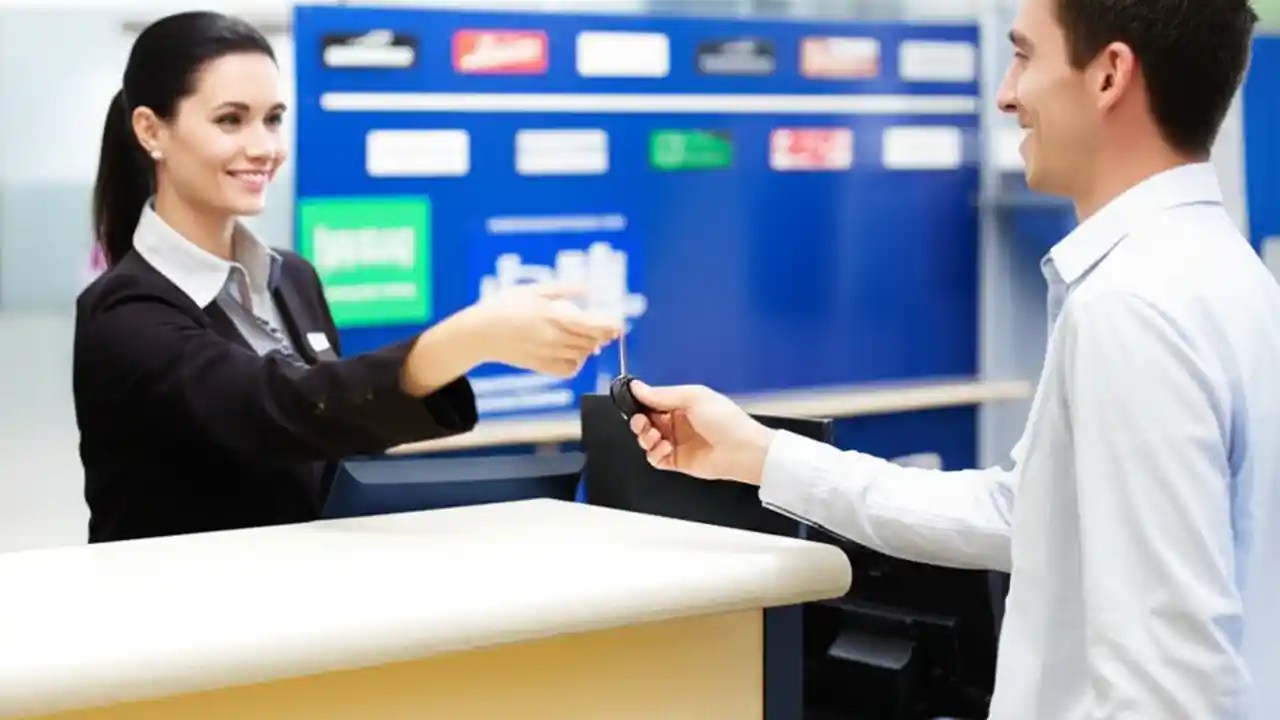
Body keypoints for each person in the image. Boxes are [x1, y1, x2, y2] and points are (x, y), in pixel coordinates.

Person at [630, 0, 1280, 717]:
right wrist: (758, 454)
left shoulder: (1134, 309)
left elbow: (1169, 687)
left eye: (1026, 55)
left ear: (1109, 76)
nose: (1006, 92)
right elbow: (1023, 513)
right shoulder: (1225, 275)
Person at [74, 11, 619, 544]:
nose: (264, 147)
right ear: (151, 130)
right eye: (230, 120)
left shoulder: (292, 278)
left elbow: (332, 438)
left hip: (307, 608)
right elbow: (278, 411)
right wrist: (469, 339)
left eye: (273, 118)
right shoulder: (123, 314)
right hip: (183, 618)